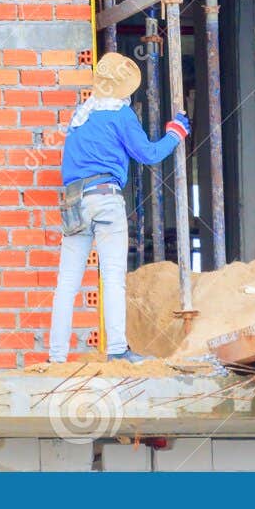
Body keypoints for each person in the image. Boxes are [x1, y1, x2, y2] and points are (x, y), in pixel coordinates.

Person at [49, 52, 190, 364]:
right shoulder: (121, 114)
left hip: (74, 202)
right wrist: (176, 133)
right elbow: (148, 154)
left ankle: (56, 356)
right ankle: (116, 350)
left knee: (67, 282)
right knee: (112, 277)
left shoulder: (80, 117)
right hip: (106, 198)